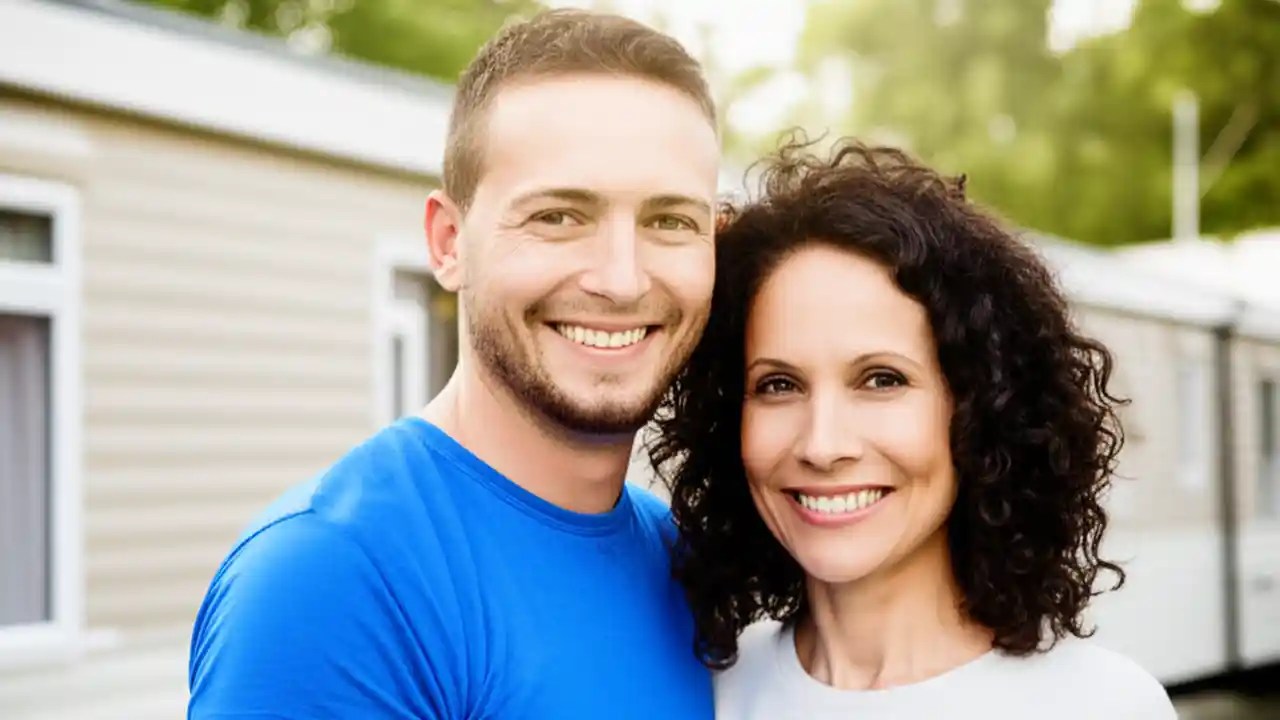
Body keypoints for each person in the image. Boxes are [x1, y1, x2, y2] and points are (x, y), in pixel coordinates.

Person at [187, 9, 720, 719]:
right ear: (447, 242)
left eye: (669, 221)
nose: (621, 280)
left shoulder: (682, 563)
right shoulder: (334, 579)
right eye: (559, 216)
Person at [649, 136, 1178, 719]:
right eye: (779, 385)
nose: (822, 445)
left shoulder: (1102, 706)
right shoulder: (704, 690)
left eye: (881, 380)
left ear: (980, 407)